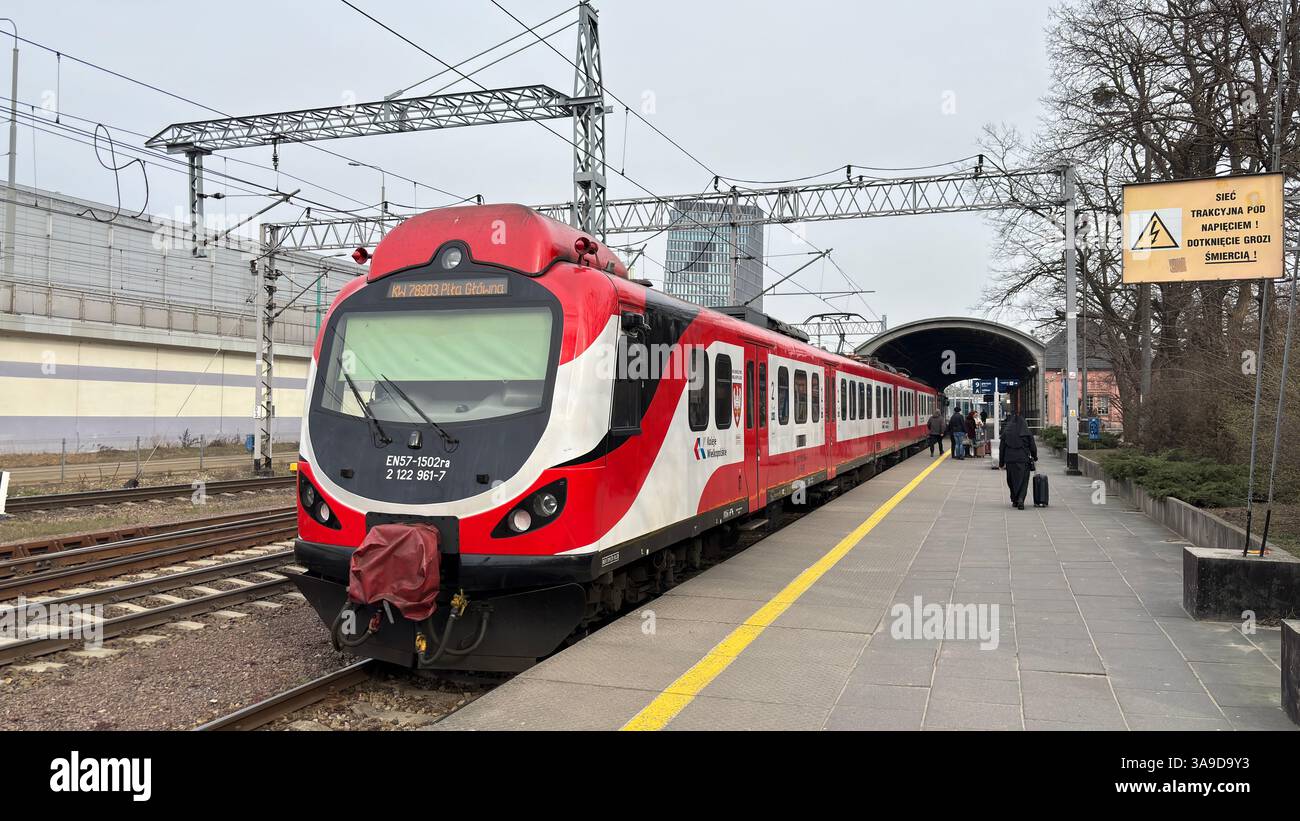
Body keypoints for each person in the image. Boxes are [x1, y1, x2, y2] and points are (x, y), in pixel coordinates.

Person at [999, 407, 1038, 509]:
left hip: (1010, 460)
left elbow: (1001, 448)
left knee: (1011, 480)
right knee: (1023, 481)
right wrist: (1035, 456)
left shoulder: (1006, 433)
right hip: (1023, 460)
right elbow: (1033, 447)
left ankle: (1014, 499)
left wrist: (1001, 462)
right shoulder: (1027, 433)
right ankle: (1021, 498)